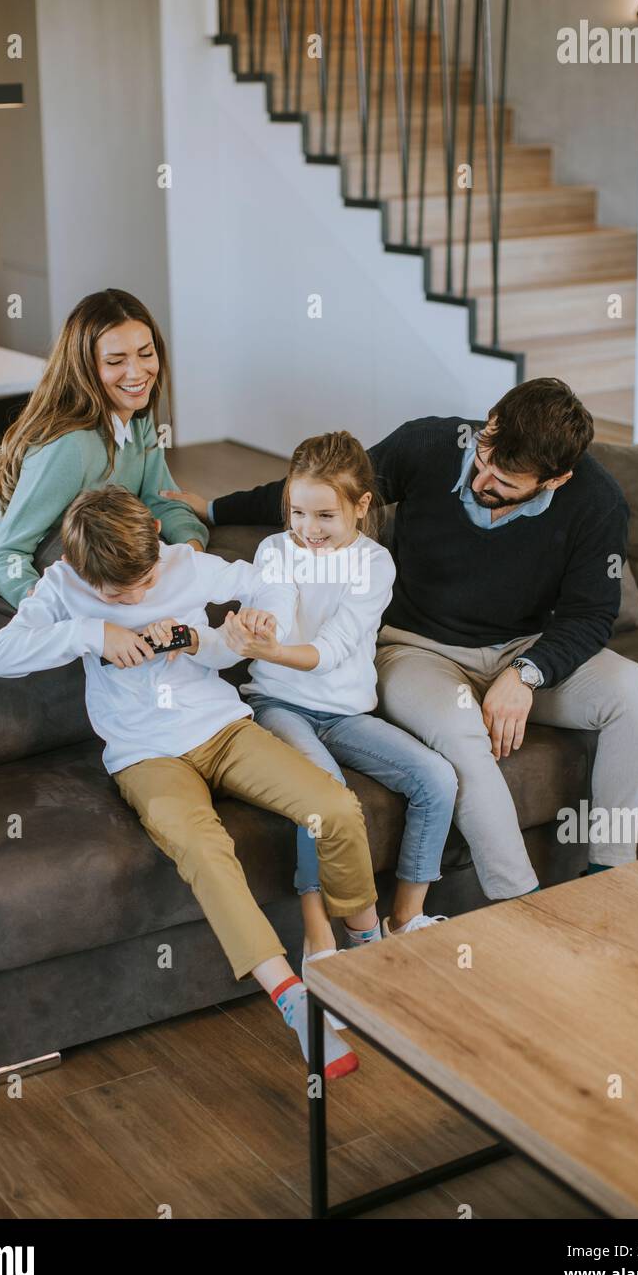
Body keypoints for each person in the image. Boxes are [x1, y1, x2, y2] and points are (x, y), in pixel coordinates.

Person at [164, 378, 638, 899]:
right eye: (485, 453)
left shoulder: (597, 502)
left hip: (526, 650)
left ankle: (610, 875)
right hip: (418, 650)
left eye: (504, 480)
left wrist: (526, 674)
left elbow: (590, 615)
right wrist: (216, 509)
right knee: (460, 733)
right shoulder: (430, 445)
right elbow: (329, 489)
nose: (481, 477)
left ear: (556, 480)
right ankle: (517, 900)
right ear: (489, 422)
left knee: (637, 696)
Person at [0, 484, 382, 1080]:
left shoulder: (183, 564)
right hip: (146, 754)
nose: (142, 594)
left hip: (222, 726)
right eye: (124, 593)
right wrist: (93, 635)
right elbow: (3, 655)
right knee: (203, 848)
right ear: (78, 570)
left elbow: (265, 580)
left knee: (335, 807)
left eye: (147, 580)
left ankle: (367, 948)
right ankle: (295, 1002)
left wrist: (258, 617)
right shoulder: (63, 587)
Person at [220, 429, 458, 1019]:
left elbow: (333, 648)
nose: (308, 527)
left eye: (325, 514)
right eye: (297, 512)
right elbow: (272, 604)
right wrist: (260, 631)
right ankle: (318, 934)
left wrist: (269, 648)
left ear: (361, 506)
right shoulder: (276, 550)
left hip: (347, 711)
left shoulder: (374, 565)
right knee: (324, 796)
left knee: (437, 778)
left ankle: (405, 917)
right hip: (278, 704)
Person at [0, 288, 208, 607]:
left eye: (146, 354)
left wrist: (194, 557)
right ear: (86, 368)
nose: (138, 372)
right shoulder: (69, 447)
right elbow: (8, 555)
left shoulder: (136, 417)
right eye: (116, 361)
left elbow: (163, 500)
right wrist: (55, 617)